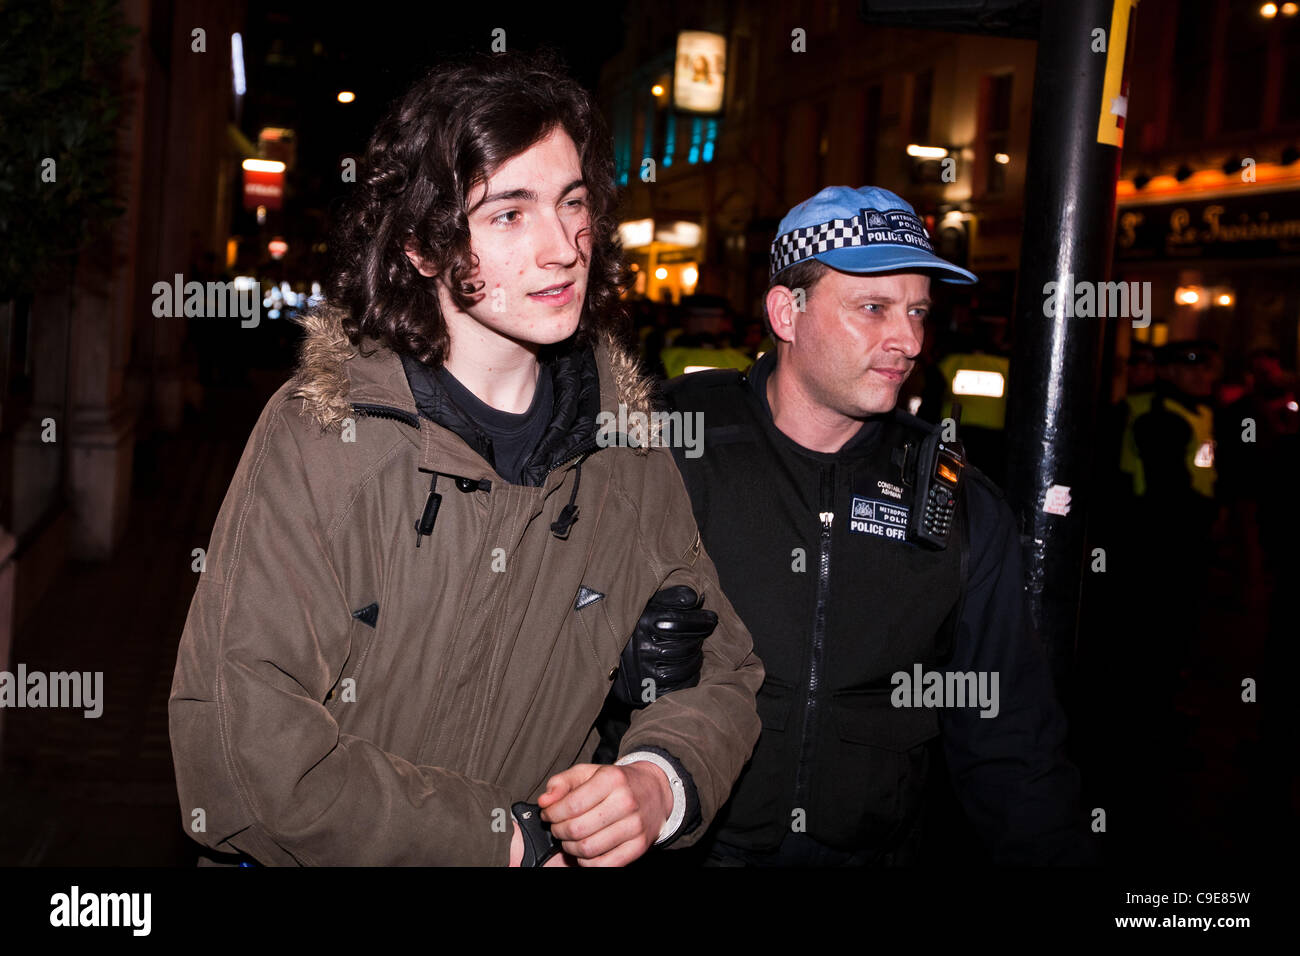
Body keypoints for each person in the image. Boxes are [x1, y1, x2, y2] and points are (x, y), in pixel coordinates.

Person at [168, 51, 762, 867]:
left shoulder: (627, 451)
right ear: (421, 246)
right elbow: (245, 750)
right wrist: (499, 840)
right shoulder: (325, 436)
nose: (561, 249)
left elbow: (723, 670)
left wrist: (657, 782)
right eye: (509, 214)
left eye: (572, 203)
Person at [662, 185, 1092, 865]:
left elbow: (1009, 735)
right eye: (874, 308)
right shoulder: (672, 453)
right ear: (787, 312)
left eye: (918, 311)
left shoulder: (956, 500)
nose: (910, 339)